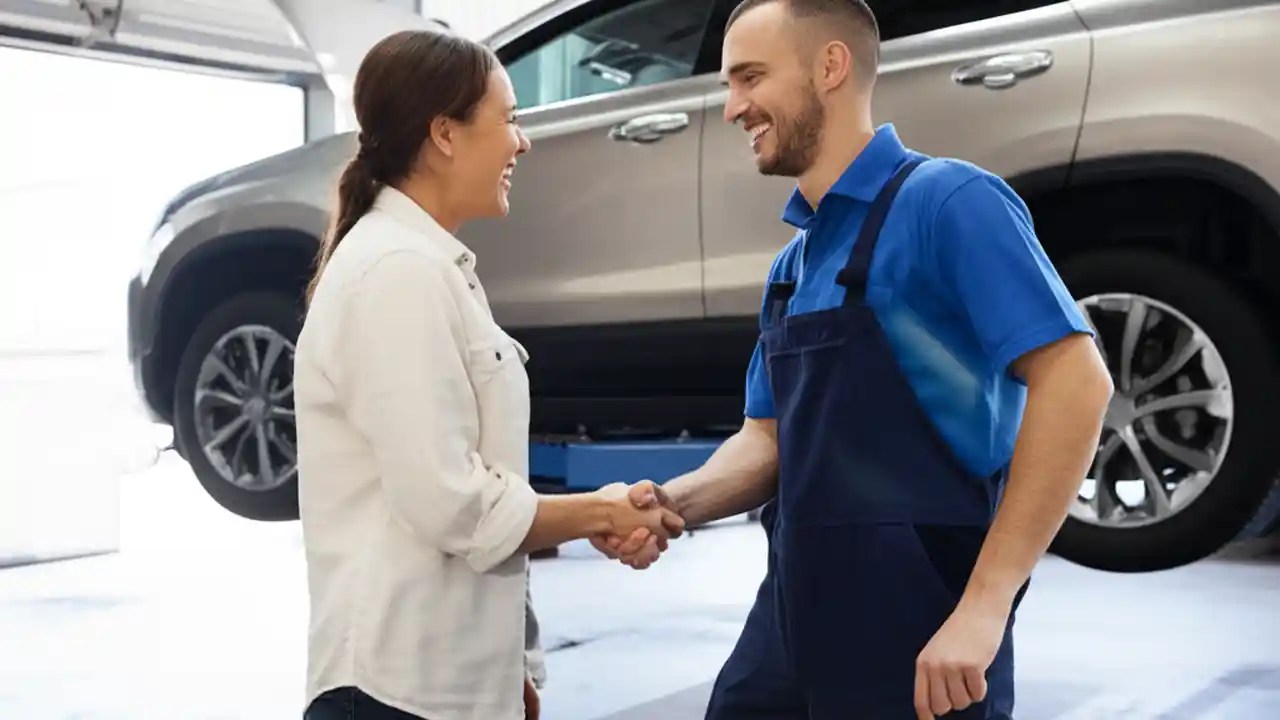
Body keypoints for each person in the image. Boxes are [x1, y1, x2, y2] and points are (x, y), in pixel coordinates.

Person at [593, 1, 1114, 718]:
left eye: (749, 78)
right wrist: (671, 505)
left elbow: (1076, 383)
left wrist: (984, 607)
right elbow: (767, 440)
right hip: (790, 617)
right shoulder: (792, 263)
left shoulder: (949, 203)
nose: (733, 107)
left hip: (921, 625)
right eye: (729, 86)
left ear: (830, 66)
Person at [293, 30, 684, 720]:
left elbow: (481, 485)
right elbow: (448, 500)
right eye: (509, 119)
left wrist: (510, 667)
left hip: (448, 688)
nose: (521, 142)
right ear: (445, 134)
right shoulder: (396, 274)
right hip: (393, 691)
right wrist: (598, 511)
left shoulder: (431, 269)